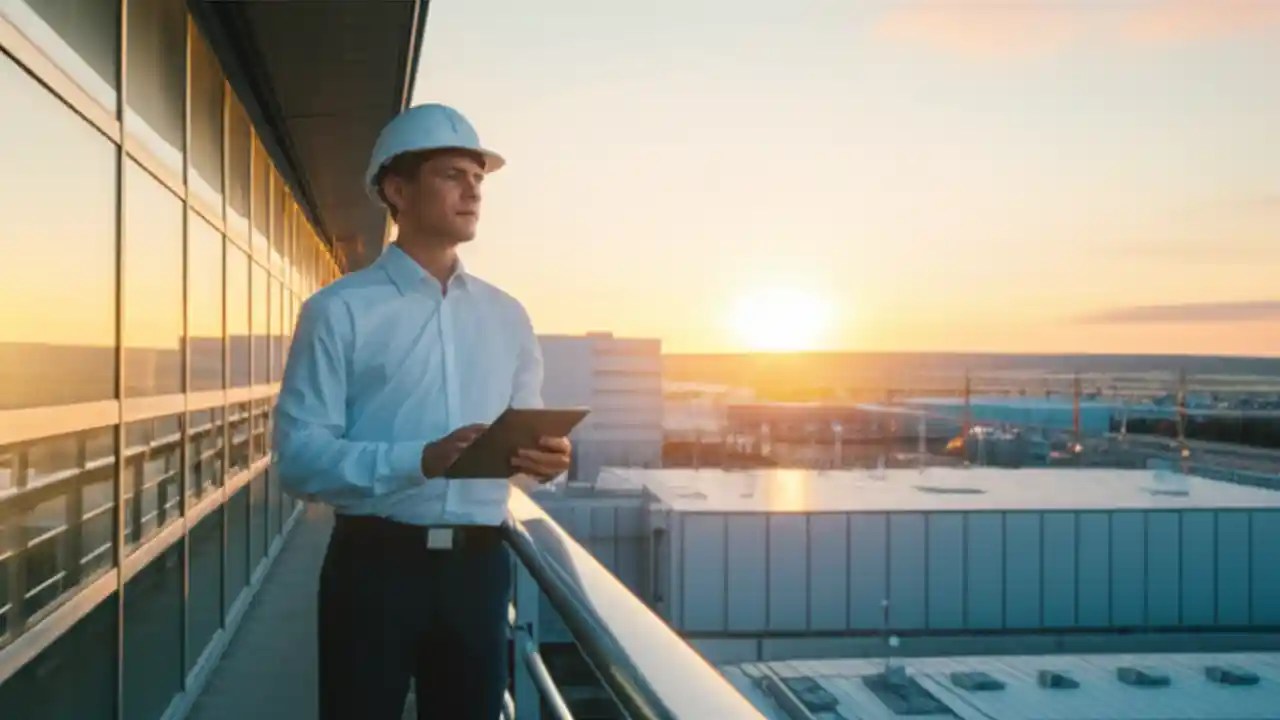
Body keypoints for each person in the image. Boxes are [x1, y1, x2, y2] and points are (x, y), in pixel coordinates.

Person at [273, 103, 572, 720]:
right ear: (396, 189)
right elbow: (299, 462)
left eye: (478, 178)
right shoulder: (338, 311)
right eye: (451, 175)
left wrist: (551, 459)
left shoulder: (507, 315)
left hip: (479, 572)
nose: (472, 191)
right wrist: (421, 460)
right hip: (373, 569)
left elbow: (528, 435)